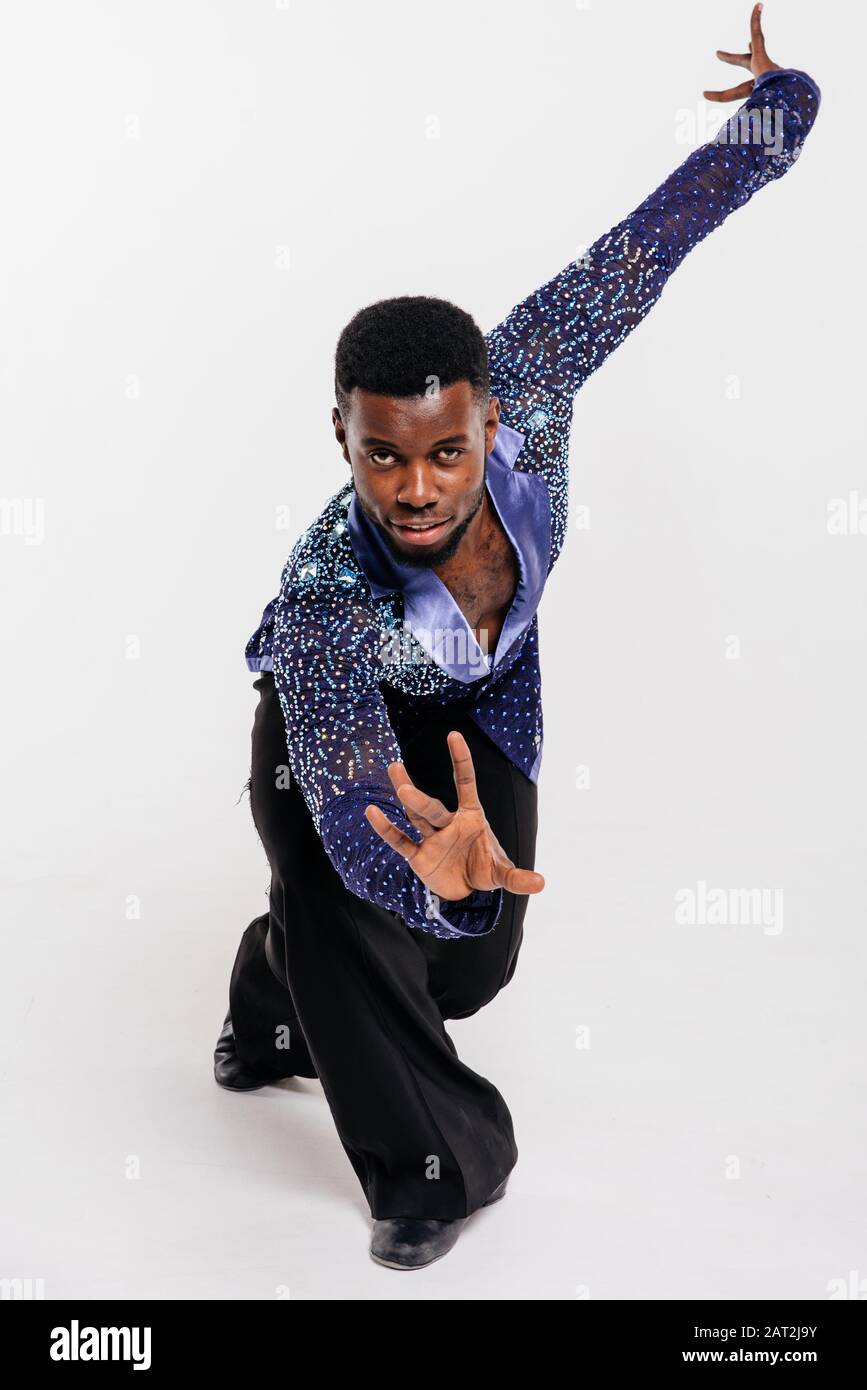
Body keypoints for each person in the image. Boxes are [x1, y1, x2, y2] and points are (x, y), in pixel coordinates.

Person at [214, 6, 820, 1270]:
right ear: (345, 441)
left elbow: (654, 240)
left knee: (471, 966)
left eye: (444, 451)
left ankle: (276, 988)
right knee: (350, 901)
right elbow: (339, 782)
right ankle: (431, 1172)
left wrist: (784, 107)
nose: (416, 487)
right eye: (382, 454)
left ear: (493, 419)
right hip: (336, 737)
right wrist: (396, 873)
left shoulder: (537, 370)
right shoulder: (330, 601)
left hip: (483, 707)